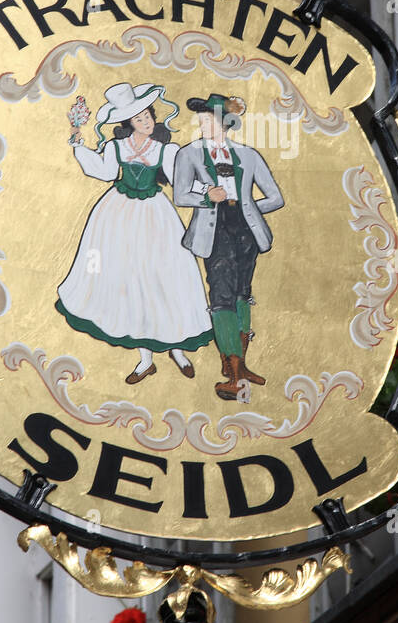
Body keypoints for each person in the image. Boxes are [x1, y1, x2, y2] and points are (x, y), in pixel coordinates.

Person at [56, 81, 213, 383]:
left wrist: (207, 190)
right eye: (139, 118)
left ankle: (178, 349)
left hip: (155, 216)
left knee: (167, 278)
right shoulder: (116, 147)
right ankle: (145, 358)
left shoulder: (165, 149)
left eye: (148, 116)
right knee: (131, 281)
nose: (146, 121)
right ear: (128, 123)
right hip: (118, 216)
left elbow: (182, 179)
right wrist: (78, 142)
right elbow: (101, 171)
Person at [173, 93, 283, 401]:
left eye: (209, 119)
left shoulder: (247, 155)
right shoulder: (190, 154)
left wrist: (248, 208)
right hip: (214, 228)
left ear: (226, 123)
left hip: (246, 229)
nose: (202, 124)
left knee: (242, 293)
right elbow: (180, 194)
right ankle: (233, 376)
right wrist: (209, 196)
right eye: (201, 119)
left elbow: (276, 197)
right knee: (221, 294)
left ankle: (240, 364)